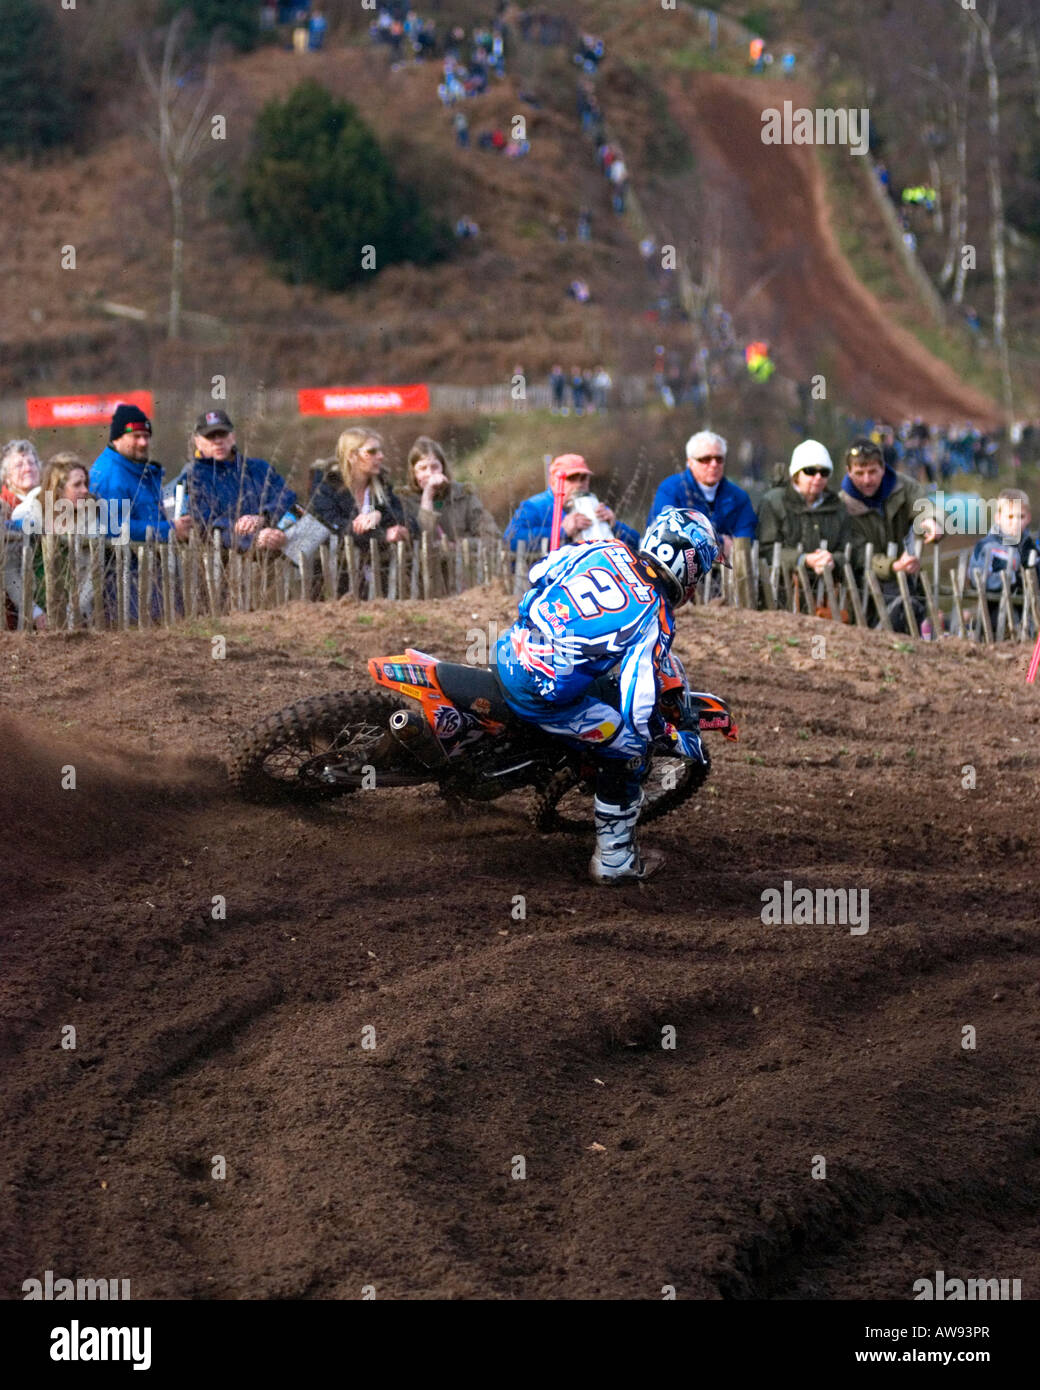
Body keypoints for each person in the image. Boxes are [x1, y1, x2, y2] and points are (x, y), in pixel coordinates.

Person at [496, 508, 725, 883]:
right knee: (629, 747)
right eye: (702, 571)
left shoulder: (607, 547)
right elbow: (638, 706)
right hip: (542, 696)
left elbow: (539, 571)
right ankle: (614, 861)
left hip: (509, 648)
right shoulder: (655, 616)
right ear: (690, 568)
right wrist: (668, 736)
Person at [840, 436, 940, 631]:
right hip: (863, 583)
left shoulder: (902, 486)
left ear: (883, 468)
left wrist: (930, 520)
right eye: (859, 473)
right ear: (848, 472)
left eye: (872, 472)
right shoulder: (842, 507)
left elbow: (924, 505)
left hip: (905, 575)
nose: (867, 479)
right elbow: (858, 555)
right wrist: (892, 565)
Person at [171, 410, 295, 552]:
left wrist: (264, 518)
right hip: (221, 565)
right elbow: (203, 526)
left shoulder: (259, 468)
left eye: (222, 434)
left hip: (277, 554)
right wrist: (253, 539)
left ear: (233, 436)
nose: (218, 441)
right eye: (210, 436)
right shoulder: (190, 480)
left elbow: (287, 498)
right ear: (197, 442)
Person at [756, 440, 852, 590]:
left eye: (824, 472)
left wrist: (832, 560)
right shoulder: (773, 502)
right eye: (810, 471)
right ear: (796, 474)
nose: (818, 477)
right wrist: (803, 559)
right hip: (780, 591)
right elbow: (764, 550)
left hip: (825, 593)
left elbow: (848, 548)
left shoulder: (838, 506)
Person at [504, 454, 638, 552]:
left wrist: (615, 525)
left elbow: (638, 543)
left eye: (584, 478)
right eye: (572, 478)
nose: (579, 484)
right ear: (553, 482)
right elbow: (511, 540)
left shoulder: (594, 507)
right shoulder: (534, 506)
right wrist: (563, 531)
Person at [647, 431, 756, 550]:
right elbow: (665, 532)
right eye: (705, 459)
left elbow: (746, 539)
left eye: (719, 459)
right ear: (690, 462)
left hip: (731, 566)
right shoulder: (670, 489)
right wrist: (720, 542)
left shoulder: (739, 497)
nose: (714, 464)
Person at [307, 428, 414, 550]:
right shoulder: (326, 486)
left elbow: (410, 521)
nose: (381, 456)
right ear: (352, 456)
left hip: (381, 565)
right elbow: (331, 530)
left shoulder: (382, 485)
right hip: (338, 566)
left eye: (380, 451)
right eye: (372, 451)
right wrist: (382, 535)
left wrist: (378, 515)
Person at [400, 436, 499, 543]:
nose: (429, 473)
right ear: (414, 473)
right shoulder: (404, 499)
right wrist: (427, 497)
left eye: (434, 467)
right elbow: (422, 542)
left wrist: (459, 546)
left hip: (464, 557)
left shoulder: (463, 494)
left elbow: (492, 536)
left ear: (443, 468)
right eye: (422, 468)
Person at [968, 488, 1037, 634]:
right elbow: (977, 578)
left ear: (1028, 518)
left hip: (1024, 612)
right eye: (1010, 516)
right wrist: (1013, 578)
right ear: (998, 518)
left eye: (1021, 516)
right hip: (991, 610)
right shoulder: (987, 546)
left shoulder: (1030, 547)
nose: (1016, 522)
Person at [1, 440, 46, 629]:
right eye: (19, 465)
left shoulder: (49, 501)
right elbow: (8, 572)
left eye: (31, 462)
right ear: (7, 477)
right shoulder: (4, 508)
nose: (27, 468)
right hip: (14, 614)